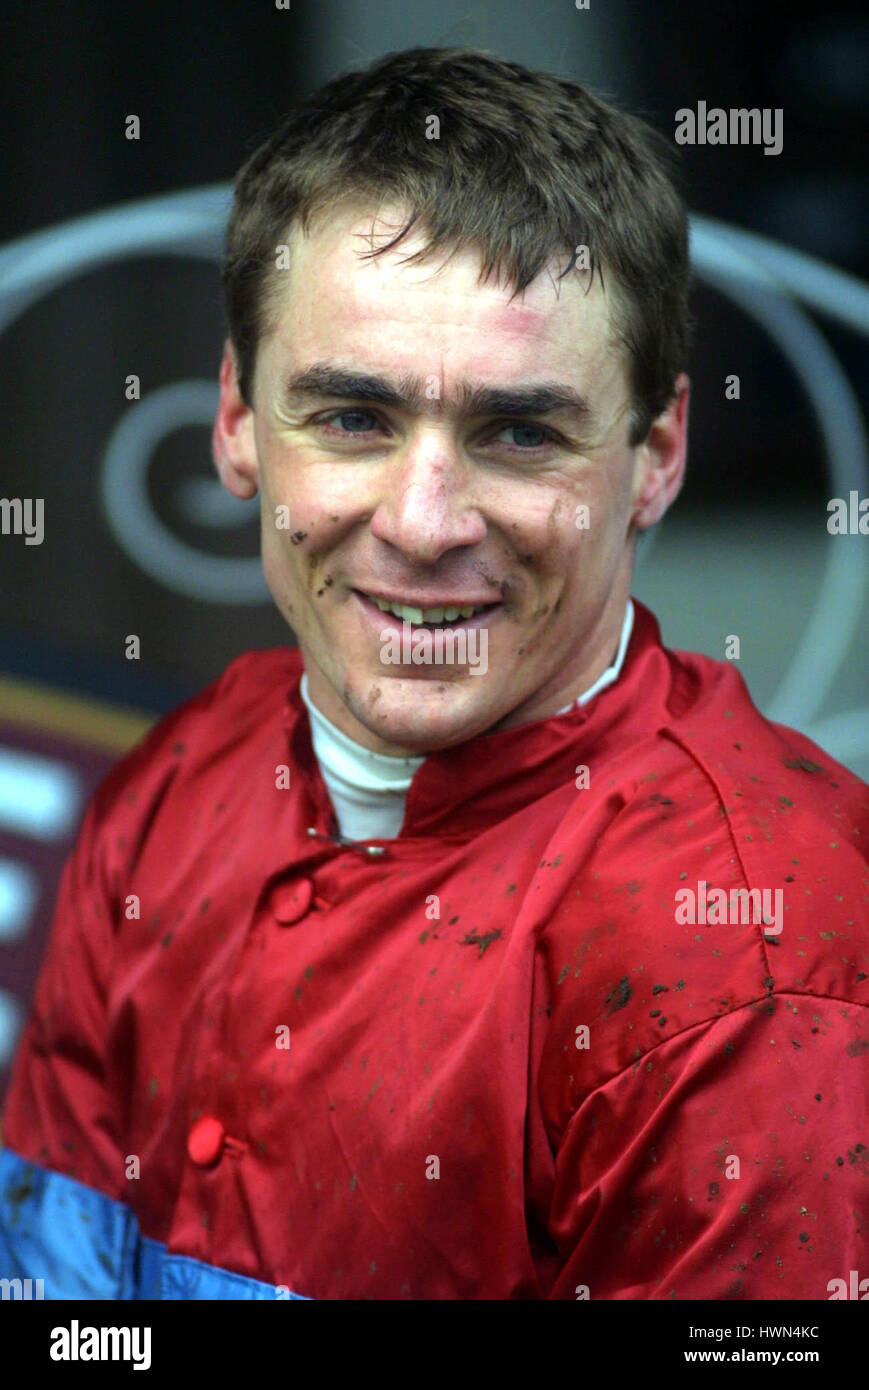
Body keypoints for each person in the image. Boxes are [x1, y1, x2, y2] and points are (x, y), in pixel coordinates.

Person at [1, 46, 866, 1301]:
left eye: (518, 432)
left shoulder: (758, 967)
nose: (421, 519)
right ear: (239, 419)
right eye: (351, 416)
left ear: (658, 451)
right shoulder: (182, 768)